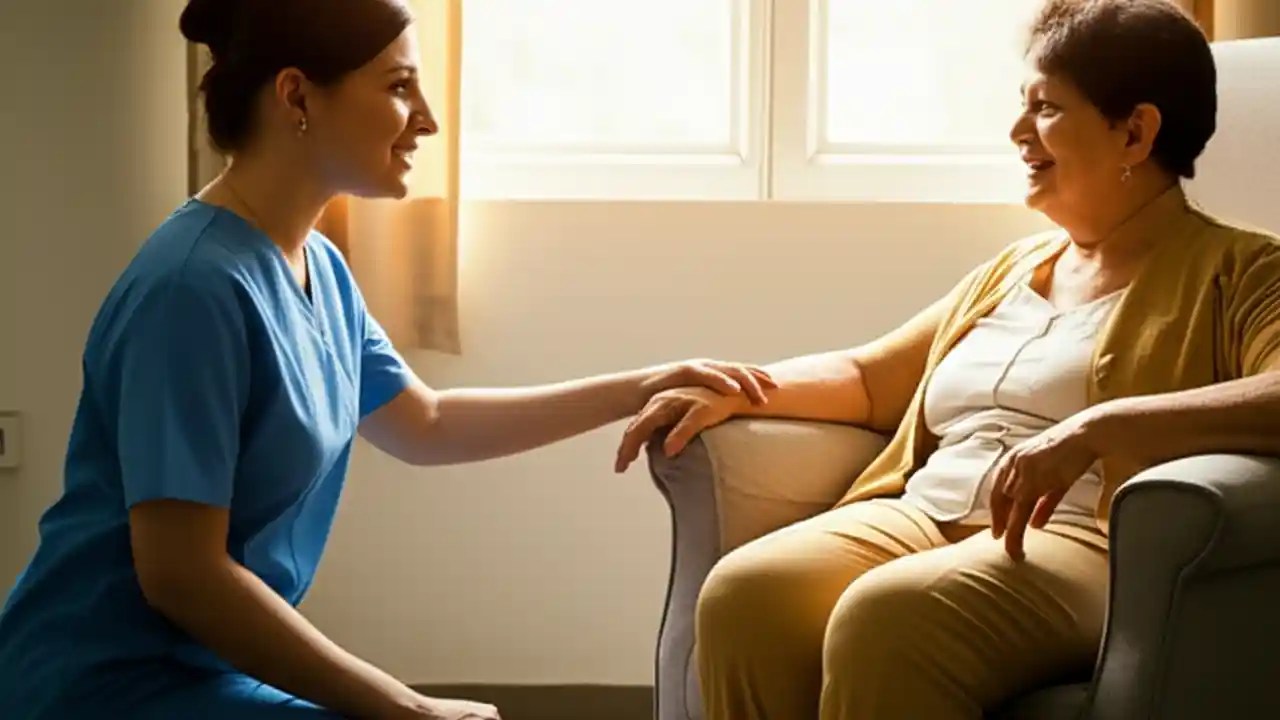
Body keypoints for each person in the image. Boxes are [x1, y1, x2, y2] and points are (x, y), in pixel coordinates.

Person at [0, 1, 779, 719]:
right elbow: (182, 574)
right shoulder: (190, 290)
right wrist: (405, 708)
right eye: (400, 87)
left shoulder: (318, 267)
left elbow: (426, 423)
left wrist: (641, 386)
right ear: (297, 96)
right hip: (99, 686)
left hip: (199, 673)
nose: (428, 121)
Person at [615, 1, 1280, 718]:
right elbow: (870, 379)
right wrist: (738, 388)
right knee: (748, 595)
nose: (1019, 131)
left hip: (1080, 539)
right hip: (924, 514)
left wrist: (1098, 428)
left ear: (1135, 131)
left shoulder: (1243, 271)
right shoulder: (1013, 270)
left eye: (1046, 107)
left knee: (889, 618)